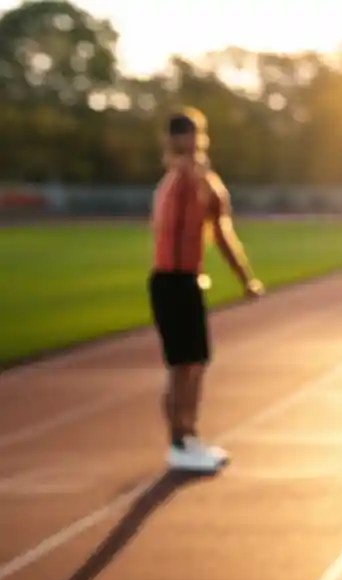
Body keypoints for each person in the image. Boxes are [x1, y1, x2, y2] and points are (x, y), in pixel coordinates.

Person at [148, 106, 264, 473]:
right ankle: (180, 441)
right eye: (182, 133)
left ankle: (187, 437)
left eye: (191, 133)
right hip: (172, 280)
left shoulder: (192, 180)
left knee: (191, 364)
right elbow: (217, 232)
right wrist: (245, 279)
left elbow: (219, 233)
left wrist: (244, 277)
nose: (188, 140)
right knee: (184, 365)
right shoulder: (185, 179)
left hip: (181, 280)